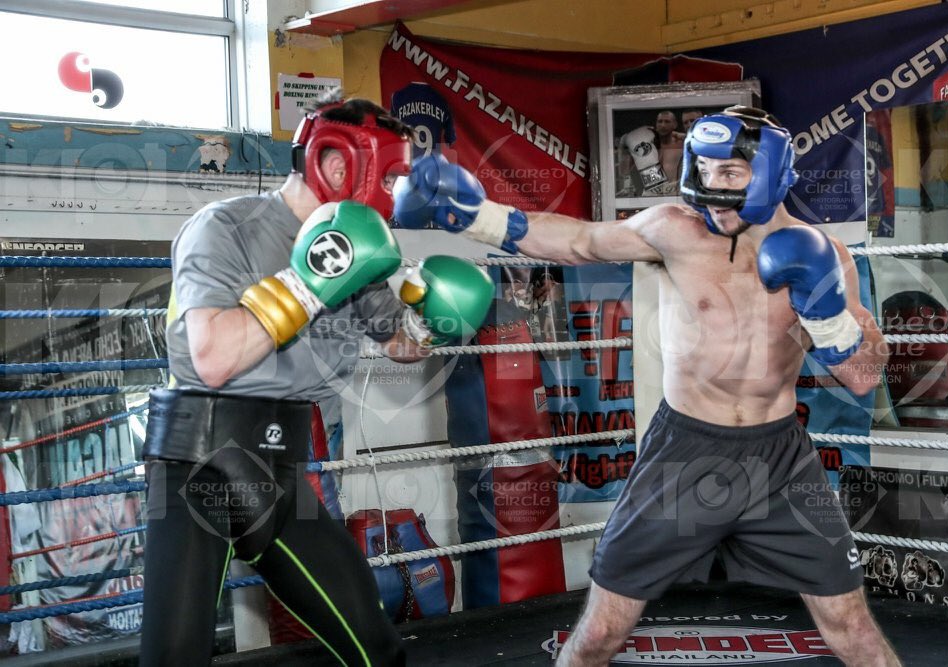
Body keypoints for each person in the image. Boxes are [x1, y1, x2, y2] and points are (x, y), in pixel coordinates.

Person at [391, 106, 900, 667]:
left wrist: (830, 321)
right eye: (703, 170)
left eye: (730, 173)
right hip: (683, 452)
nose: (712, 187)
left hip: (780, 459)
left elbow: (862, 377)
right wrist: (479, 217)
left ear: (771, 174)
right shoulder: (674, 230)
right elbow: (580, 240)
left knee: (852, 627)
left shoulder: (827, 256)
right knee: (600, 633)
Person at [140, 89, 493, 666]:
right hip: (198, 462)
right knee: (173, 658)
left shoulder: (366, 249)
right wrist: (309, 283)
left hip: (280, 466)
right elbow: (212, 358)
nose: (394, 193)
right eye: (390, 176)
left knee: (374, 645)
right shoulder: (225, 227)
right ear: (337, 165)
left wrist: (432, 323)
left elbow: (396, 342)